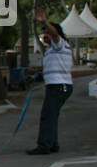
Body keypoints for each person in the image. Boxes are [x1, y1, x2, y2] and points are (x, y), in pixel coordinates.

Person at [27, 11, 73, 156]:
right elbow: (54, 66)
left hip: (58, 86)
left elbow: (54, 34)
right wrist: (37, 70)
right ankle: (53, 144)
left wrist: (45, 21)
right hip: (58, 85)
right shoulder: (52, 50)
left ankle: (44, 146)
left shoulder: (59, 44)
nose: (44, 36)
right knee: (52, 115)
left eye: (46, 33)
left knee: (47, 115)